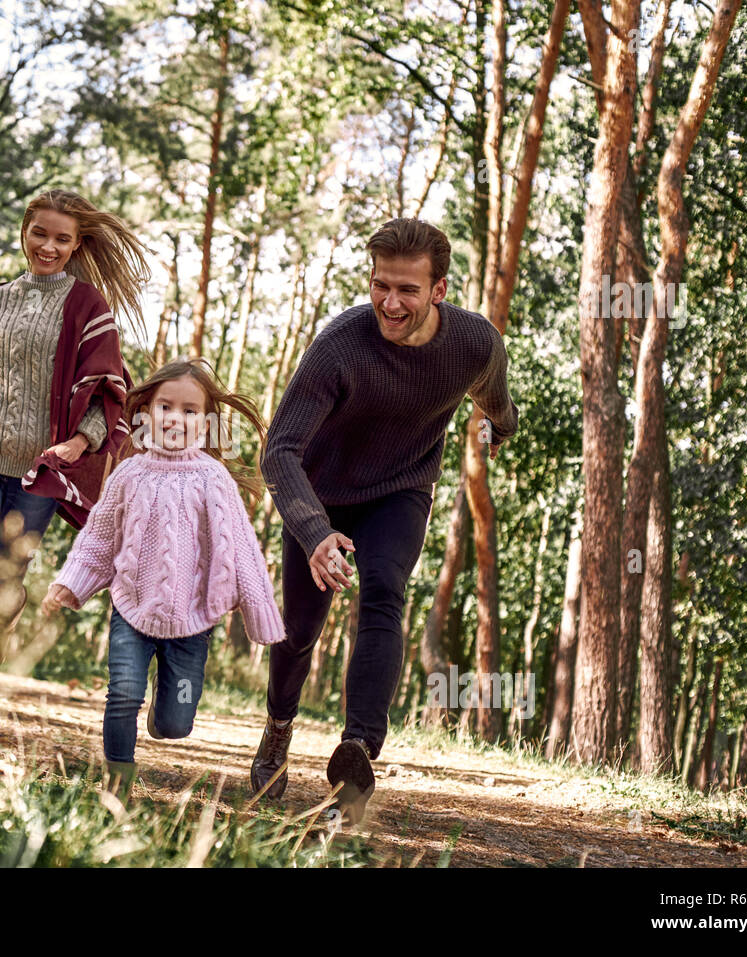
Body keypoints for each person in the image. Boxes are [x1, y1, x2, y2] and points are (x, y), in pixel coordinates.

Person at [252, 217, 520, 826]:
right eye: (380, 286)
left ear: (439, 290)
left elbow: (495, 399)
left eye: (407, 290)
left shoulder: (474, 344)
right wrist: (316, 533)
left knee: (383, 596)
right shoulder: (341, 344)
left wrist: (498, 429)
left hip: (400, 489)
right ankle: (278, 727)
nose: (390, 303)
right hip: (319, 494)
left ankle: (358, 750)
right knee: (299, 629)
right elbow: (279, 450)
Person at [0, 188, 149, 757]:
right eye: (40, 233)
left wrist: (80, 441)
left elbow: (106, 387)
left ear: (76, 244)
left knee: (8, 574)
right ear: (25, 231)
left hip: (41, 464)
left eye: (62, 238)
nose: (49, 246)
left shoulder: (88, 307)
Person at [41, 358, 286, 802]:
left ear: (207, 423)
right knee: (123, 694)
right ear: (146, 414)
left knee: (176, 723)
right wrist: (69, 585)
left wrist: (260, 614)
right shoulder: (129, 475)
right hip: (131, 609)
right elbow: (100, 540)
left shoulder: (214, 480)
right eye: (165, 407)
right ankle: (117, 786)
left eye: (190, 411)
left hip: (192, 623)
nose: (176, 418)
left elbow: (243, 550)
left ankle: (165, 713)